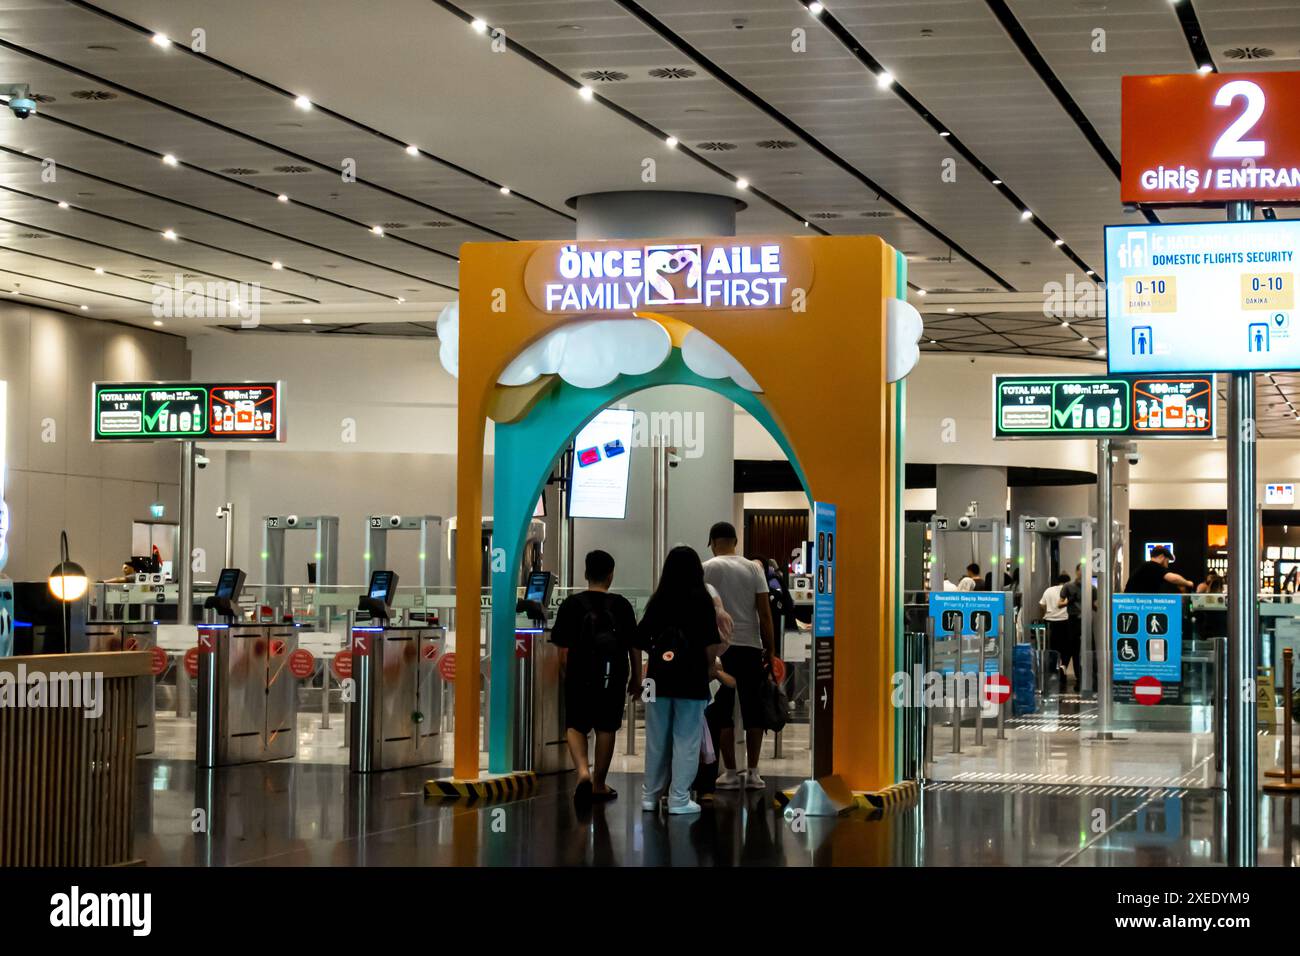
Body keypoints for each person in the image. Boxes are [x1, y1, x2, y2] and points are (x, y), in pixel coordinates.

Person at [637, 545, 725, 815]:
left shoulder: (658, 599)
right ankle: (678, 798)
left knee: (655, 738)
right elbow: (711, 643)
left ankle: (649, 797)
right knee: (687, 737)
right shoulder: (701, 601)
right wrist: (710, 667)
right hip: (691, 676)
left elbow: (638, 638)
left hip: (656, 679)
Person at [549, 550, 640, 809]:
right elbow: (634, 645)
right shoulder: (621, 605)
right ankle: (599, 784)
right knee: (606, 726)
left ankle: (582, 773)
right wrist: (636, 676)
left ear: (586, 574)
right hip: (613, 672)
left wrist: (567, 674)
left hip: (580, 670)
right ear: (611, 576)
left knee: (576, 724)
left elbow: (563, 649)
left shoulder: (571, 604)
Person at [703, 521, 776, 791]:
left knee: (722, 709)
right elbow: (764, 613)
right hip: (750, 645)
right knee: (753, 708)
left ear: (712, 542)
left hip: (718, 648)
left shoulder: (705, 568)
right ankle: (755, 772)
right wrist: (771, 648)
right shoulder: (753, 568)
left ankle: (731, 771)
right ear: (736, 541)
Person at [1039, 573, 1071, 690]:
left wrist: (1047, 612)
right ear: (1068, 581)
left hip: (1050, 622)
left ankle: (1053, 671)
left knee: (1053, 647)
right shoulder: (1069, 589)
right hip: (1065, 622)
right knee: (1066, 648)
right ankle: (1063, 668)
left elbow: (1041, 604)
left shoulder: (1048, 590)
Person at [1124, 546, 1193, 593]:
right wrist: (1188, 583)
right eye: (1167, 561)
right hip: (1136, 603)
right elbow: (1174, 579)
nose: (1167, 565)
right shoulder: (1153, 566)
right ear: (1162, 557)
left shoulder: (1147, 567)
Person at [1060, 567, 1085, 690]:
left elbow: (1096, 605)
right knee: (1074, 649)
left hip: (1085, 620)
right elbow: (1059, 604)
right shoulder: (1068, 587)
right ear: (1076, 571)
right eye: (1081, 569)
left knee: (1079, 650)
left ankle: (1080, 676)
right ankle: (1077, 677)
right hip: (1073, 620)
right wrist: (1070, 601)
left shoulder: (1091, 588)